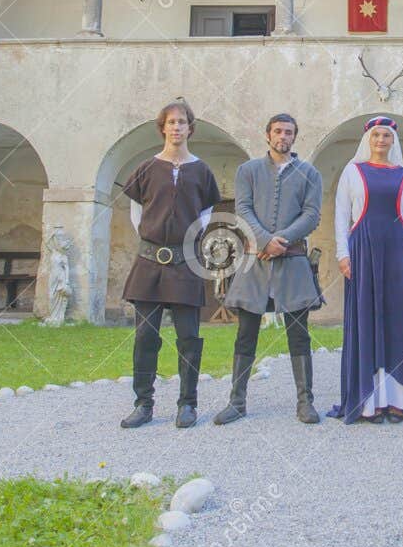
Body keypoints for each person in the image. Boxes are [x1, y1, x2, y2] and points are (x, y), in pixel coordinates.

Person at [118, 100, 222, 430]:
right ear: (162, 127)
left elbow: (204, 215)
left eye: (182, 122)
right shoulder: (147, 168)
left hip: (186, 262)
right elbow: (137, 212)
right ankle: (143, 404)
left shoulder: (201, 170)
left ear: (190, 128)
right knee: (145, 337)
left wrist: (183, 242)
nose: (177, 127)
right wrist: (154, 242)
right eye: (171, 122)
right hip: (149, 262)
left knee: (189, 337)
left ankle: (187, 404)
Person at [216, 113, 325, 425]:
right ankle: (236, 402)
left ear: (294, 136)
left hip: (293, 260)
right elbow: (243, 209)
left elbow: (312, 213)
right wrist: (265, 241)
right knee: (246, 333)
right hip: (256, 261)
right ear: (267, 135)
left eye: (288, 131)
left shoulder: (309, 173)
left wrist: (284, 240)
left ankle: (305, 403)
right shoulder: (247, 170)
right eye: (277, 131)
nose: (283, 136)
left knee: (299, 335)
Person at [331, 116, 403, 423]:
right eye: (376, 135)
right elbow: (342, 214)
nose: (381, 140)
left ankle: (399, 400)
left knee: (398, 319)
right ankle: (369, 401)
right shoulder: (353, 171)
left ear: (393, 141)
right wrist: (342, 253)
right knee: (367, 319)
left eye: (386, 135)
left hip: (399, 250)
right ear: (367, 139)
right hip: (363, 249)